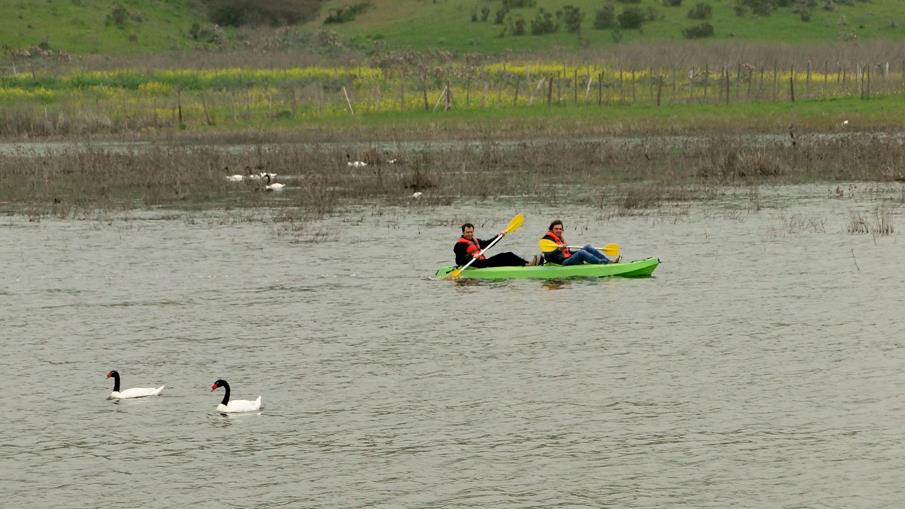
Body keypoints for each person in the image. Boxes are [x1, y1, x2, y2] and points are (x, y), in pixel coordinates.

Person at [455, 223, 537, 268]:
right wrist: (471, 257)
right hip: (476, 265)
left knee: (508, 255)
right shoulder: (459, 245)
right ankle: (527, 265)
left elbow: (488, 244)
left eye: (471, 232)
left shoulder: (475, 240)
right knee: (507, 256)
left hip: (483, 263)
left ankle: (526, 263)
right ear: (463, 232)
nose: (470, 234)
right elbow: (459, 260)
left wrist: (498, 236)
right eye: (467, 232)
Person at [541, 219, 620, 266]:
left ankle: (608, 261)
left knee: (587, 247)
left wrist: (566, 250)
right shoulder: (547, 240)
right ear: (551, 230)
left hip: (567, 258)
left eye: (560, 229)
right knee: (581, 253)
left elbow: (567, 253)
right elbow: (547, 257)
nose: (559, 230)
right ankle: (602, 263)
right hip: (562, 262)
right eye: (556, 229)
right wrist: (558, 249)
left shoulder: (559, 238)